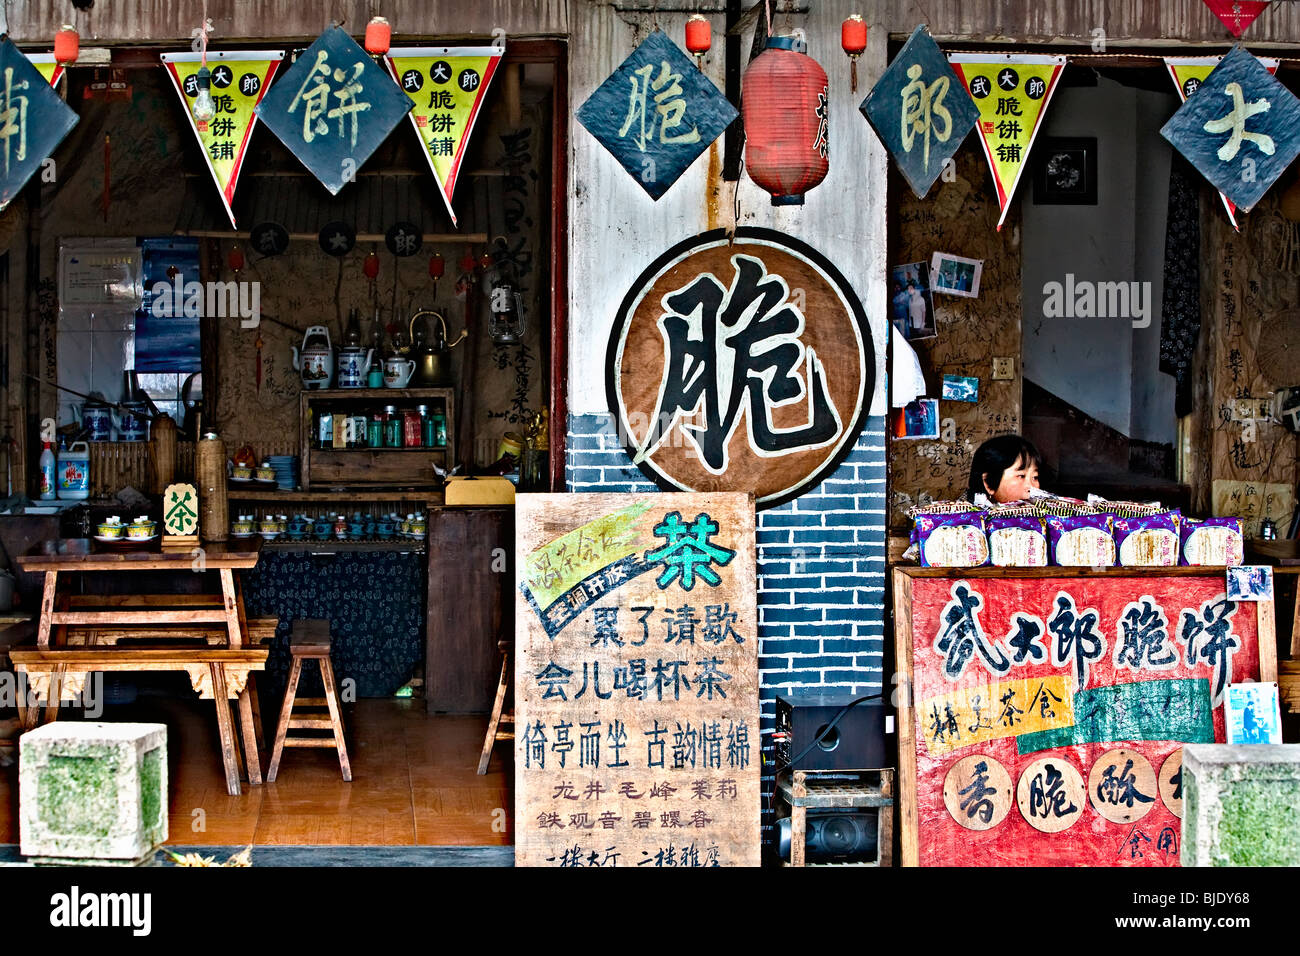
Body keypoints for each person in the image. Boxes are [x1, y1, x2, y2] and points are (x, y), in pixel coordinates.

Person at [967, 433, 1042, 503]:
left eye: (1035, 477)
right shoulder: (968, 516)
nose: (1031, 487)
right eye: (1021, 476)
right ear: (988, 483)